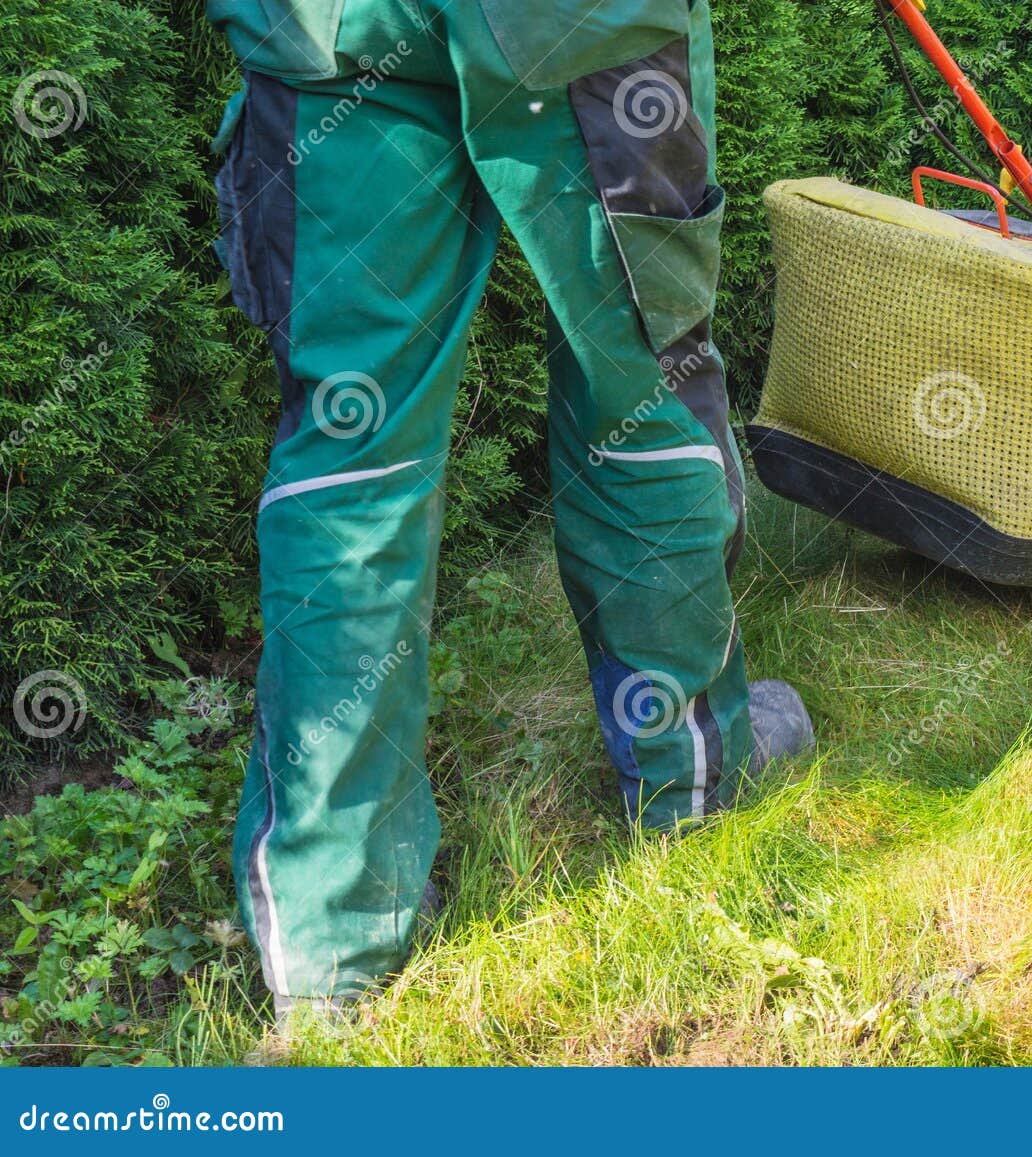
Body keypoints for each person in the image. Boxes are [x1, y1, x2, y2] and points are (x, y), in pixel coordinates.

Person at [206, 0, 814, 1021]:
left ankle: (329, 928)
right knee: (643, 399)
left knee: (350, 455)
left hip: (331, 27)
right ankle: (688, 778)